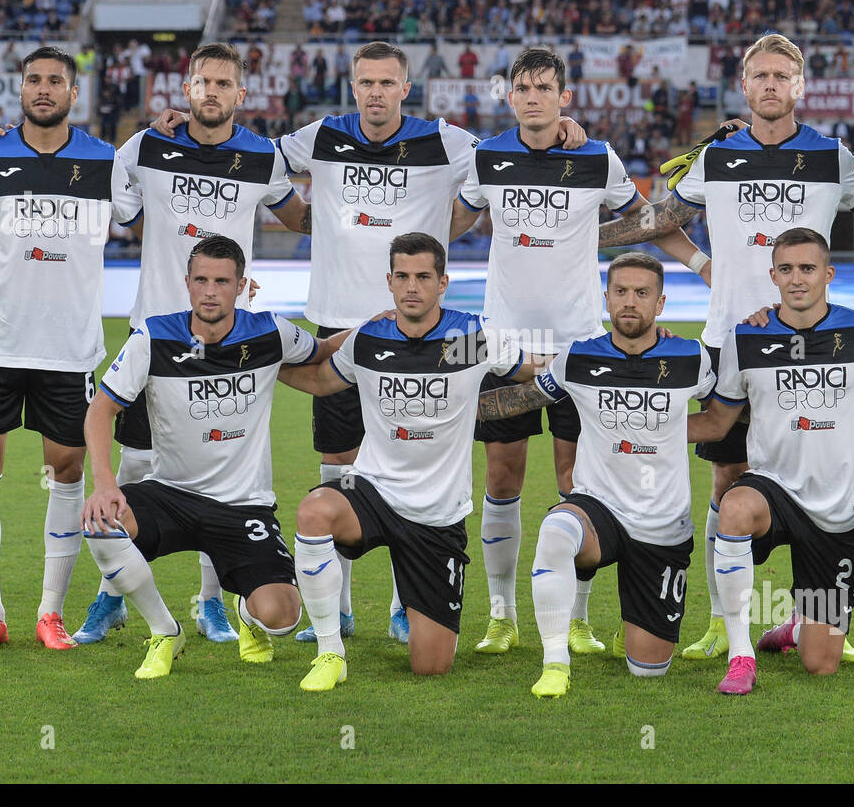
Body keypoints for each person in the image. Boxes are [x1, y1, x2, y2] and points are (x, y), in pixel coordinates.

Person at [154, 41, 587, 644]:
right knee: (339, 468)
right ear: (353, 87)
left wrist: (559, 124)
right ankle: (344, 608)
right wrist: (179, 125)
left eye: (388, 82)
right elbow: (248, 154)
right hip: (338, 329)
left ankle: (407, 603)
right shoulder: (320, 137)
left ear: (405, 87)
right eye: (366, 82)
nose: (376, 92)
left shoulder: (446, 141)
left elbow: (516, 146)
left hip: (417, 330)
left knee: (415, 461)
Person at [605, 34, 854, 664]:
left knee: (817, 469)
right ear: (744, 85)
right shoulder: (718, 156)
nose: (770, 85)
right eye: (760, 75)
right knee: (730, 481)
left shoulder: (831, 157)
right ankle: (721, 622)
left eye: (781, 75)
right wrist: (577, 233)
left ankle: (808, 619)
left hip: (813, 341)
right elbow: (657, 221)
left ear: (800, 86)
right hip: (730, 342)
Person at [452, 45, 707, 656]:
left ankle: (576, 619)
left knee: (576, 482)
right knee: (503, 477)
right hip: (505, 347)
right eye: (523, 87)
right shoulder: (487, 158)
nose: (534, 96)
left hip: (579, 350)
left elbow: (646, 220)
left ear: (565, 97)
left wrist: (701, 263)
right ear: (510, 97)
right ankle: (503, 615)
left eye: (546, 87)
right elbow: (447, 225)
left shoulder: (598, 159)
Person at [74, 42, 309, 650]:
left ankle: (211, 604)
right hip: (156, 332)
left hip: (230, 334)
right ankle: (113, 597)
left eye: (223, 83)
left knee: (220, 470)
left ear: (241, 94)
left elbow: (305, 219)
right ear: (186, 88)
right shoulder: (152, 146)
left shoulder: (262, 156)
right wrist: (134, 135)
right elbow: (108, 190)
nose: (211, 91)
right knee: (131, 468)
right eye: (202, 81)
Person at [0, 46, 143, 653]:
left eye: (55, 81)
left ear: (75, 94)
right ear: (20, 90)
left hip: (68, 351)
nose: (43, 89)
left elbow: (156, 211)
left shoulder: (103, 161)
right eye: (34, 80)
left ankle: (49, 613)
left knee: (65, 470)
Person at [270, 233, 539, 691]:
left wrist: (608, 353)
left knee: (431, 666)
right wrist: (257, 362)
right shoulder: (369, 340)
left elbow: (535, 367)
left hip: (438, 514)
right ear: (389, 282)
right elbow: (318, 381)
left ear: (443, 283)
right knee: (315, 510)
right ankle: (330, 650)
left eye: (423, 277)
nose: (412, 286)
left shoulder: (469, 339)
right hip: (374, 491)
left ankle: (418, 611)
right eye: (402, 276)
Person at [80, 237, 336, 678]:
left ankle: (248, 615)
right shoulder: (154, 335)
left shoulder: (269, 332)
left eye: (221, 281)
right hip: (171, 494)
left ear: (241, 286)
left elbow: (323, 351)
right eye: (201, 280)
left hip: (243, 504)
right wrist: (105, 483)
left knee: (283, 617)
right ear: (187, 284)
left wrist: (377, 327)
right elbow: (101, 409)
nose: (210, 291)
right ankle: (165, 631)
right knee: (101, 522)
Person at [476, 253, 716, 697]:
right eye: (620, 292)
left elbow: (722, 414)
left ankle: (635, 622)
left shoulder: (690, 357)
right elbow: (522, 399)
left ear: (660, 303)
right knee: (555, 529)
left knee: (649, 670)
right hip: (598, 509)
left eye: (642, 293)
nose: (630, 302)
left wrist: (660, 431)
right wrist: (451, 409)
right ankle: (554, 664)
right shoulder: (578, 357)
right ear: (605, 298)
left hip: (662, 525)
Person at [687, 230, 854, 694]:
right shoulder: (746, 337)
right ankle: (741, 654)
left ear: (828, 273)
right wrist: (642, 427)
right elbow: (718, 423)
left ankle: (792, 627)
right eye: (786, 269)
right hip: (774, 490)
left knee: (821, 665)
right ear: (773, 276)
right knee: (734, 506)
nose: (797, 279)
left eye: (807, 269)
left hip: (836, 511)